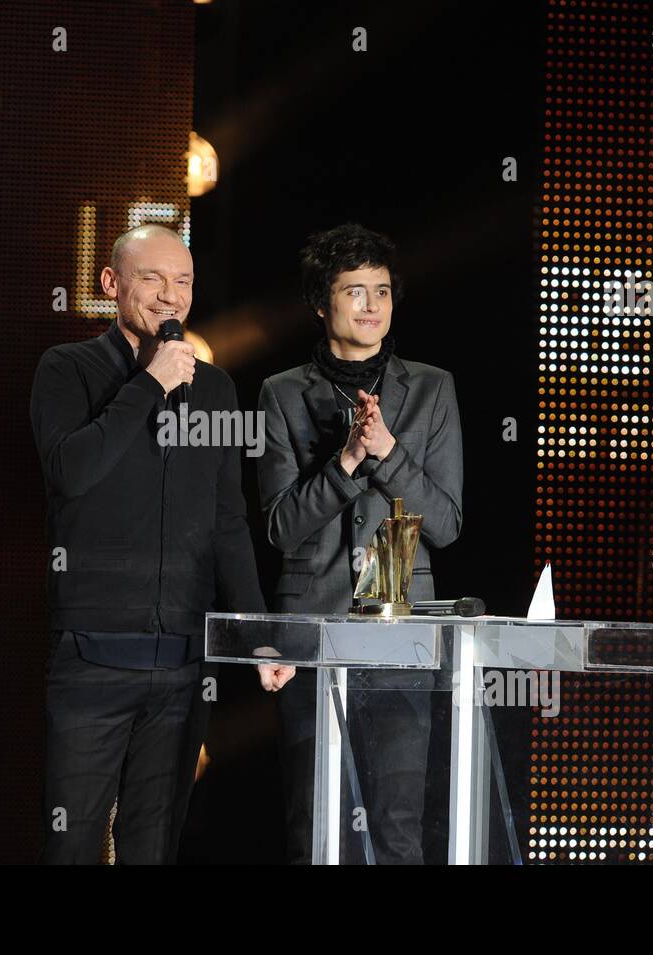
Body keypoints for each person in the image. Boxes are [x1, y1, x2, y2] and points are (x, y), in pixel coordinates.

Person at [30, 225, 267, 864]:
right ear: (112, 283)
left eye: (183, 281)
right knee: (72, 842)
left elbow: (227, 523)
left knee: (153, 843)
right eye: (153, 279)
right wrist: (150, 384)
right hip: (93, 658)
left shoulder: (214, 389)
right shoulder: (67, 369)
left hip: (184, 663)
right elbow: (71, 473)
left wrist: (258, 633)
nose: (170, 296)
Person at [257, 223, 463, 863]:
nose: (372, 306)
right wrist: (346, 463)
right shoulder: (281, 393)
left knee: (397, 824)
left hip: (399, 636)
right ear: (323, 304)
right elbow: (279, 526)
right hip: (311, 635)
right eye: (355, 292)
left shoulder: (431, 388)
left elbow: (447, 522)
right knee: (315, 827)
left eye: (382, 291)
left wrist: (388, 454)